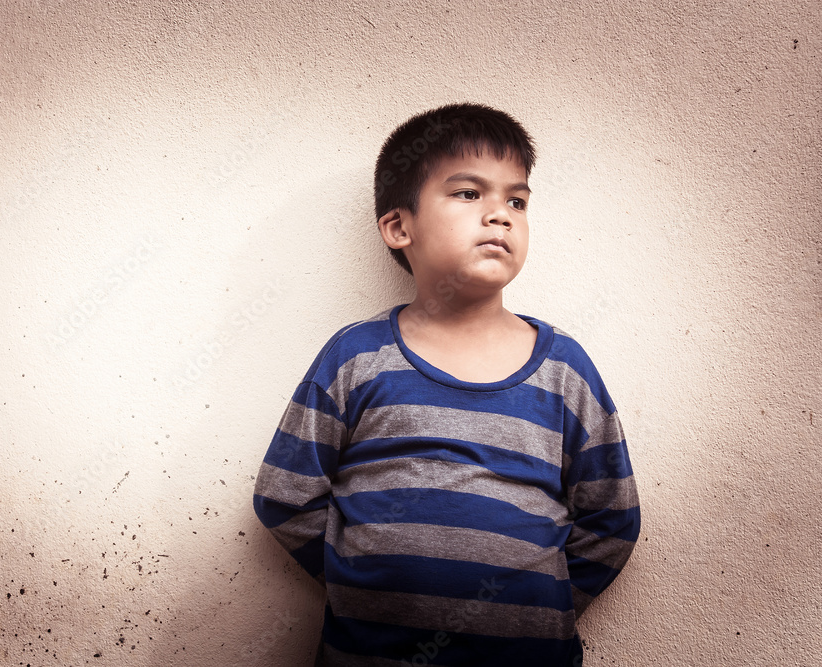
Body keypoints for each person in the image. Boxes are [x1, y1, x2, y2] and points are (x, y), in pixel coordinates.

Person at [253, 103, 641, 666]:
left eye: (517, 200)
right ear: (399, 226)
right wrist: (364, 581)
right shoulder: (358, 357)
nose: (500, 216)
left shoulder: (564, 370)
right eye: (468, 193)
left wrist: (543, 602)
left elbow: (612, 517)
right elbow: (286, 494)